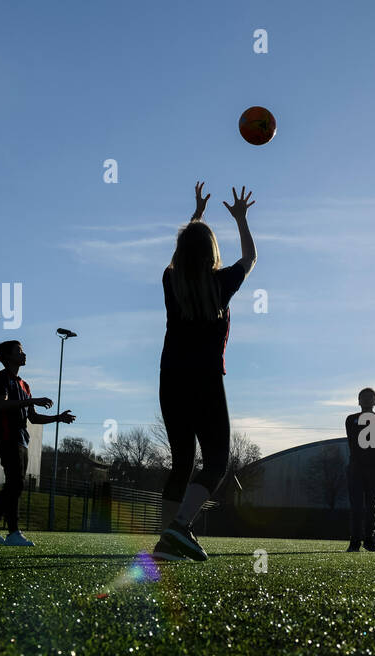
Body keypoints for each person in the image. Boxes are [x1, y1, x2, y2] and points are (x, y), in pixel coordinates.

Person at [153, 182, 257, 562]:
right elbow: (250, 258)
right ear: (212, 251)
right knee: (215, 463)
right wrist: (242, 220)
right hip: (205, 380)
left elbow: (174, 262)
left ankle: (166, 541)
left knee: (181, 462)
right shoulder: (220, 283)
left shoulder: (171, 282)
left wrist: (195, 215)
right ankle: (179, 529)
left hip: (170, 379)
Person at [0, 340, 75, 546]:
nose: (24, 354)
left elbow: (33, 418)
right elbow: (1, 404)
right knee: (15, 483)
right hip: (6, 436)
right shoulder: (0, 378)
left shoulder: (24, 385)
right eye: (19, 351)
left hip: (22, 439)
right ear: (7, 357)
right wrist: (33, 401)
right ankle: (12, 532)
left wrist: (58, 417)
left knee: (15, 484)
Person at [344, 388, 375, 552]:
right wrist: (358, 460)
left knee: (371, 505)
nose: (366, 400)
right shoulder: (351, 419)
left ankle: (369, 540)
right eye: (363, 397)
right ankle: (354, 541)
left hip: (373, 467)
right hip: (356, 467)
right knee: (356, 505)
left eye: (370, 397)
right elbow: (352, 442)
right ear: (358, 401)